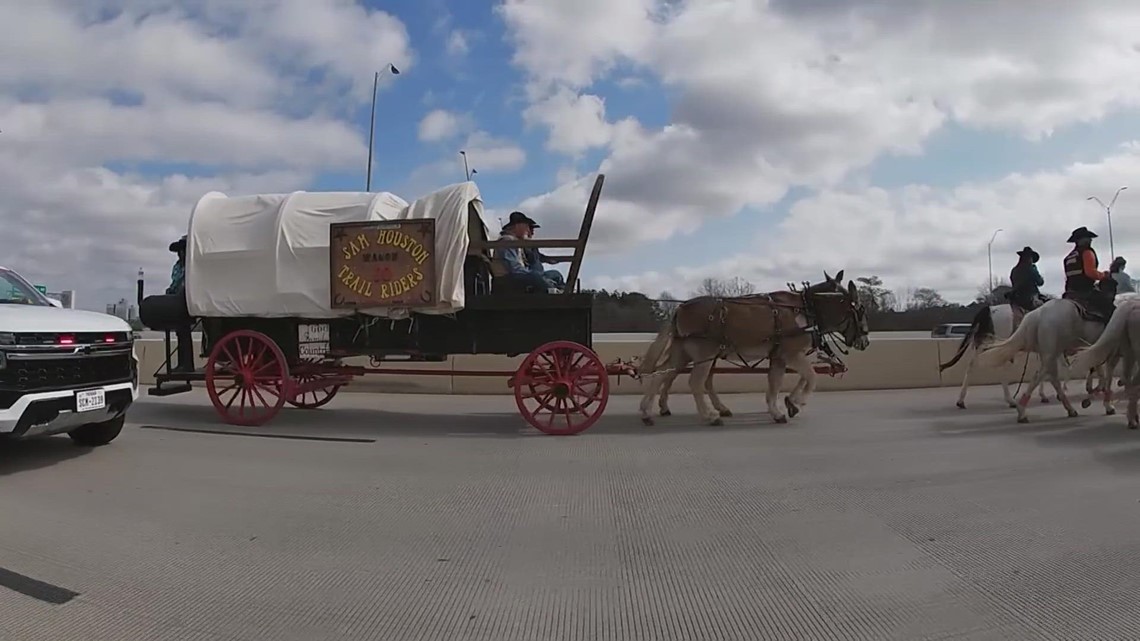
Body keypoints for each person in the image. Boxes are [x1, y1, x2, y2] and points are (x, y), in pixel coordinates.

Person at [494, 211, 563, 293]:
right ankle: (554, 292)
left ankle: (559, 289)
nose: (528, 230)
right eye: (526, 226)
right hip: (507, 278)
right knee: (535, 276)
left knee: (555, 274)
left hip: (519, 276)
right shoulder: (507, 241)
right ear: (518, 226)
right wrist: (535, 275)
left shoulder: (516, 242)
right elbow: (514, 268)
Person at [1062, 226, 1115, 320]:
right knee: (1110, 310)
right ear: (1081, 240)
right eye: (1088, 238)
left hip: (1069, 291)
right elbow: (1090, 273)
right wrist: (1104, 275)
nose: (1090, 240)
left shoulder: (1068, 257)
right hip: (1085, 291)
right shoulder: (1087, 252)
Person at [166, 235, 196, 372]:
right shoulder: (177, 267)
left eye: (183, 250)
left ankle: (187, 364)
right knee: (180, 333)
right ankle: (182, 364)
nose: (180, 253)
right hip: (177, 302)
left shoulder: (192, 265)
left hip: (188, 301)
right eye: (179, 251)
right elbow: (175, 283)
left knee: (184, 332)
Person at [1007, 246, 1044, 311]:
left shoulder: (1014, 270)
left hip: (1016, 298)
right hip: (1031, 297)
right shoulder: (1031, 269)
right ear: (1030, 258)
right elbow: (1040, 282)